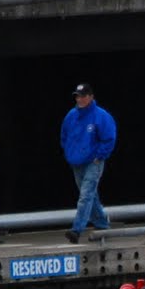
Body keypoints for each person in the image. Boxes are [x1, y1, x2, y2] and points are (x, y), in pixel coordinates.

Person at [60, 83, 117, 243]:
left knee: (85, 196)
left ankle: (76, 230)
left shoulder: (101, 115)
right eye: (77, 96)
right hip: (76, 162)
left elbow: (109, 138)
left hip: (93, 161)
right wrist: (69, 153)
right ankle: (102, 225)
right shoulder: (71, 115)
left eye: (83, 96)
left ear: (91, 97)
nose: (80, 99)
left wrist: (100, 156)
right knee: (90, 195)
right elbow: (64, 136)